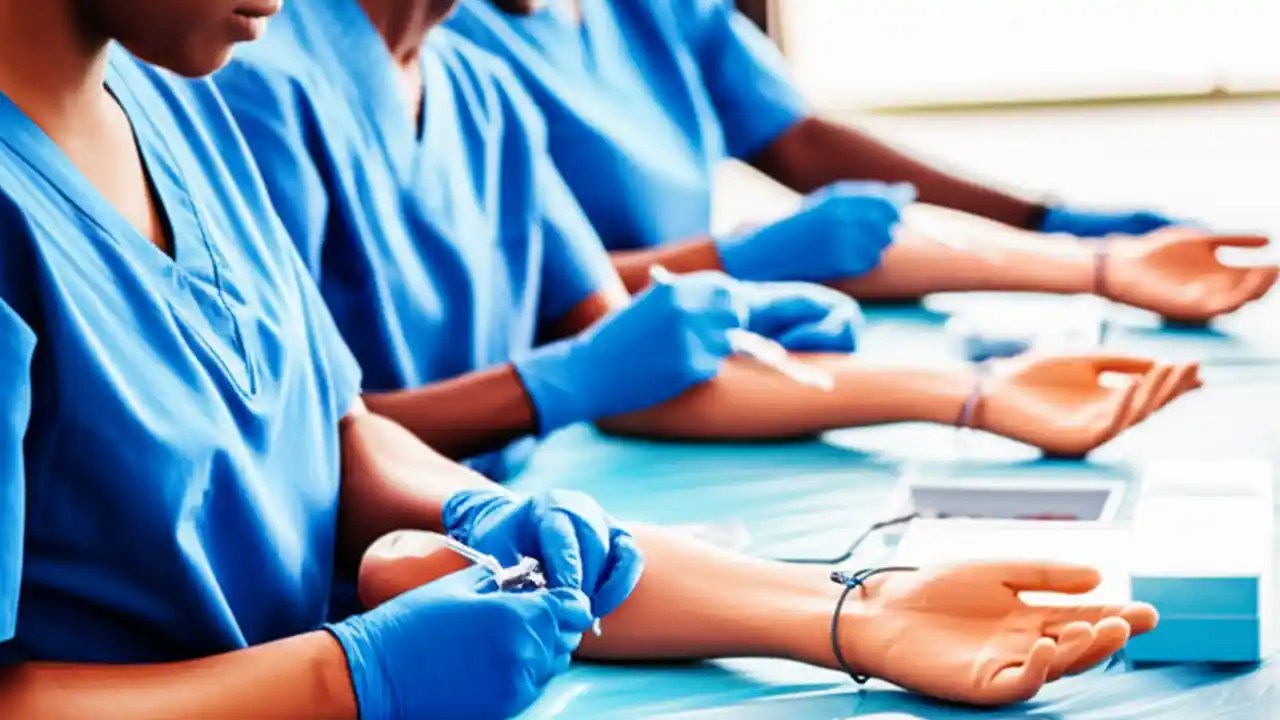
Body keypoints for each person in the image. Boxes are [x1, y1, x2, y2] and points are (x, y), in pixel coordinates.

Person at [0, 1, 1162, 716]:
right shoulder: (192, 117)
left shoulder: (177, 102)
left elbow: (336, 434)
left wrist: (851, 615)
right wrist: (339, 677)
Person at [215, 0, 1200, 487]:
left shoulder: (480, 91)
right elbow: (308, 446)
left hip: (490, 520)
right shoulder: (255, 85)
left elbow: (630, 362)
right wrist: (561, 381)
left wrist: (974, 396)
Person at [445, 0, 1278, 314]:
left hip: (690, 326)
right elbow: (540, 299)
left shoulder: (651, 10)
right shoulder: (455, 46)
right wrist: (741, 258)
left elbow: (799, 139)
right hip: (610, 352)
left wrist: (1054, 229)